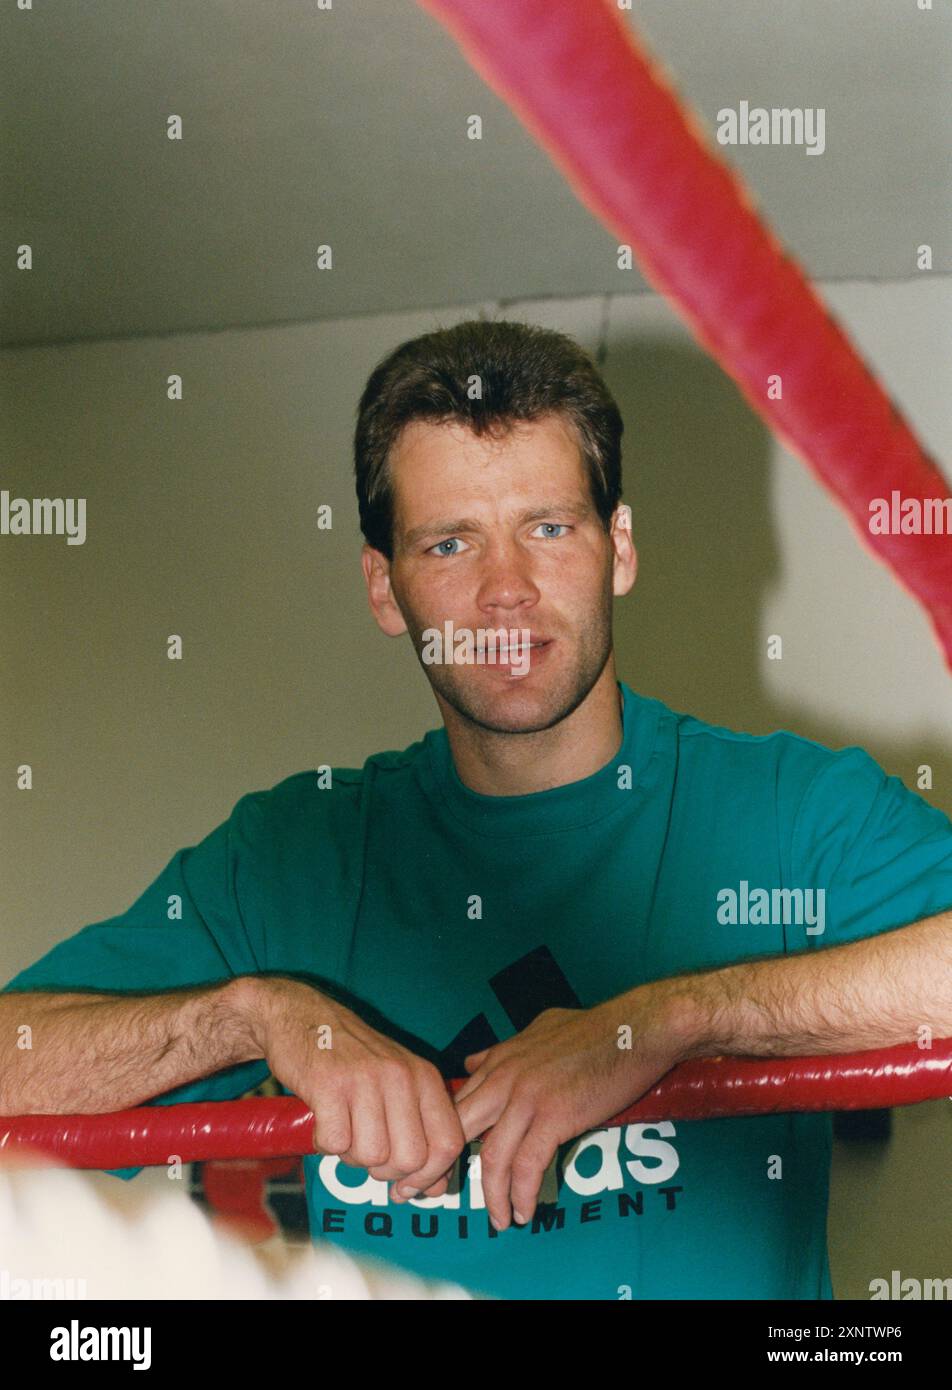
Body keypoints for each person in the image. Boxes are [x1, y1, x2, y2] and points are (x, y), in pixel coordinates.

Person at [3, 319, 951, 1301]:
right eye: (451, 542)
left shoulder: (789, 812)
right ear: (384, 587)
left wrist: (669, 1022)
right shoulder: (289, 858)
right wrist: (254, 1017)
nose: (505, 589)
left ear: (617, 548)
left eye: (547, 527)